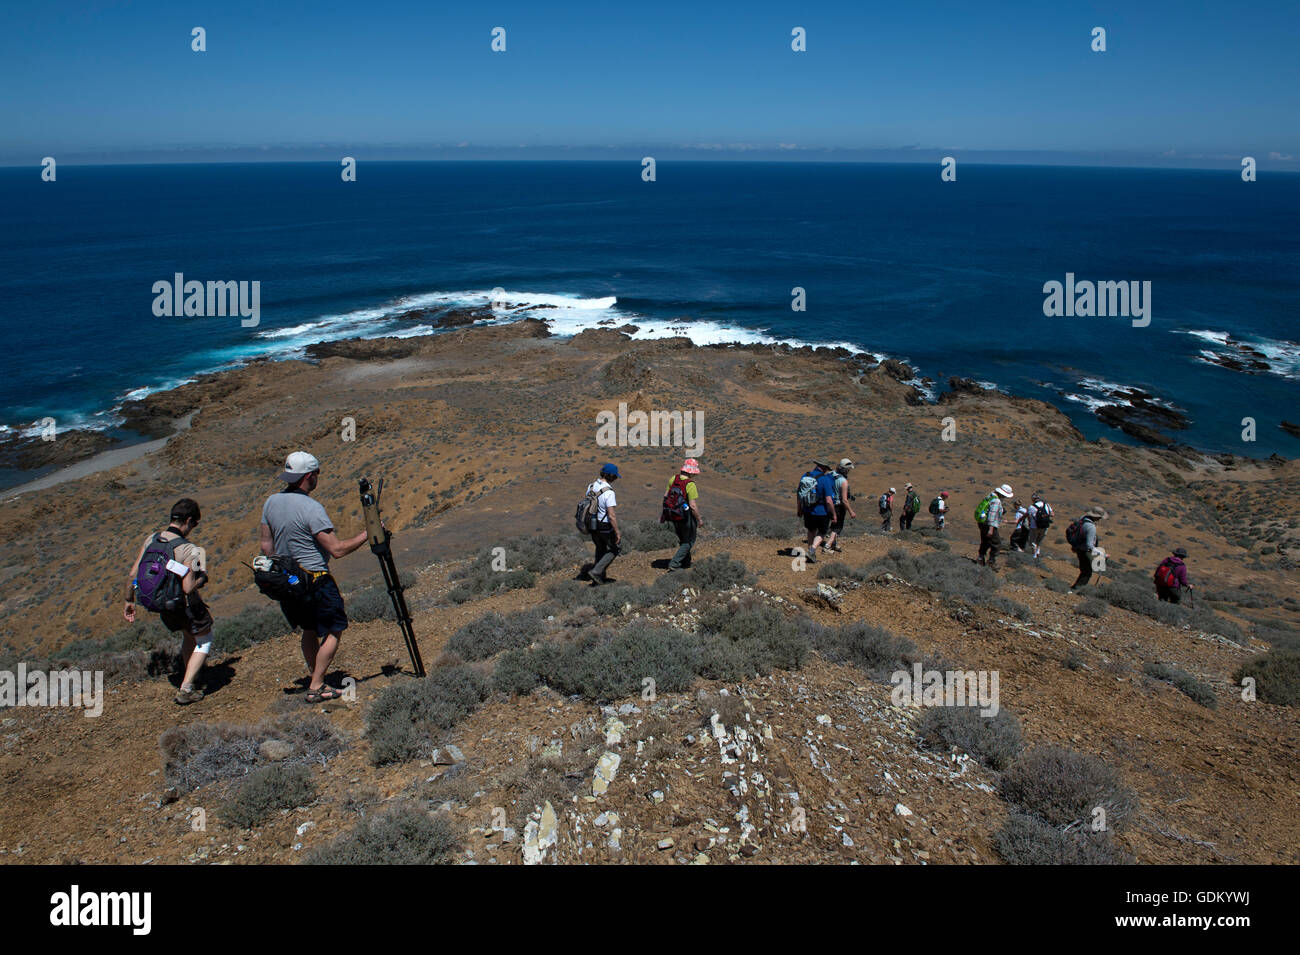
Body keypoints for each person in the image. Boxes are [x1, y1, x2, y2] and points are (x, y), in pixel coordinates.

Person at [260, 452, 369, 703]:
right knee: (334, 628)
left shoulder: (270, 503)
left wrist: (287, 568)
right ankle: (318, 684)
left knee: (309, 629)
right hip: (316, 580)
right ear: (309, 476)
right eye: (317, 473)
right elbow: (337, 549)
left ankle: (315, 677)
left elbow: (267, 548)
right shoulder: (311, 508)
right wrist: (368, 533)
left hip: (288, 581)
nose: (318, 478)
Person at [123, 498, 213, 705]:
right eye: (195, 524)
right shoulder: (190, 549)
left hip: (163, 605)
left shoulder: (151, 540)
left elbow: (132, 574)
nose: (193, 528)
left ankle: (192, 673)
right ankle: (187, 688)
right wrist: (203, 577)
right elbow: (188, 587)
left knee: (189, 635)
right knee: (205, 639)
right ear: (189, 521)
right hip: (185, 605)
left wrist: (129, 600)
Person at [662, 459, 702, 571]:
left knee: (683, 538)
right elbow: (693, 506)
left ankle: (685, 562)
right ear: (691, 472)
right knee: (689, 541)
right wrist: (699, 519)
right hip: (686, 517)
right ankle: (674, 564)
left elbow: (666, 496)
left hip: (673, 515)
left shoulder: (673, 478)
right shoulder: (690, 484)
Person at [585, 463, 622, 584]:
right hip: (604, 525)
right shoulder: (609, 492)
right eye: (615, 477)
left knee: (600, 548)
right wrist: (617, 532)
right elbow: (611, 516)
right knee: (615, 548)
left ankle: (598, 578)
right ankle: (596, 572)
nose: (616, 479)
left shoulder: (591, 486)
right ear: (611, 476)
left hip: (591, 523)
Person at [796, 460, 838, 562]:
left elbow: (799, 494)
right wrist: (833, 514)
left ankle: (810, 552)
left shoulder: (805, 476)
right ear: (824, 468)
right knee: (822, 532)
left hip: (807, 509)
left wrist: (799, 509)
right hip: (821, 511)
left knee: (811, 530)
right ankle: (812, 550)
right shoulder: (825, 479)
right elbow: (828, 500)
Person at [1069, 506, 1108, 591]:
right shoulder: (1091, 527)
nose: (1100, 519)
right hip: (1084, 550)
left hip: (1078, 548)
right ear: (1095, 516)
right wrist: (1102, 554)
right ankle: (1076, 590)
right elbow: (1089, 545)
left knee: (1084, 570)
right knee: (1087, 572)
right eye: (1099, 517)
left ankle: (1075, 588)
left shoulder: (1082, 520)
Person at [978, 484, 1013, 569]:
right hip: (989, 524)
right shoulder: (996, 501)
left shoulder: (990, 495)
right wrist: (991, 529)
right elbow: (992, 515)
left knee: (985, 541)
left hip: (982, 522)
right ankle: (991, 562)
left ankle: (980, 558)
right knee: (997, 543)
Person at [825, 459, 857, 553]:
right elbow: (844, 500)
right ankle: (827, 545)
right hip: (839, 506)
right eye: (849, 469)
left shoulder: (831, 474)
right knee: (837, 527)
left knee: (834, 524)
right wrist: (851, 511)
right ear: (846, 470)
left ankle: (834, 544)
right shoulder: (843, 481)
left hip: (829, 503)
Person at [1029, 492, 1053, 559]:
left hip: (1034, 527)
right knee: (1039, 541)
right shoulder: (1047, 505)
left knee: (1033, 542)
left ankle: (1034, 556)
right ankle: (1038, 554)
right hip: (1045, 526)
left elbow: (1030, 517)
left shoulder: (1031, 507)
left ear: (1033, 500)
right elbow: (1052, 514)